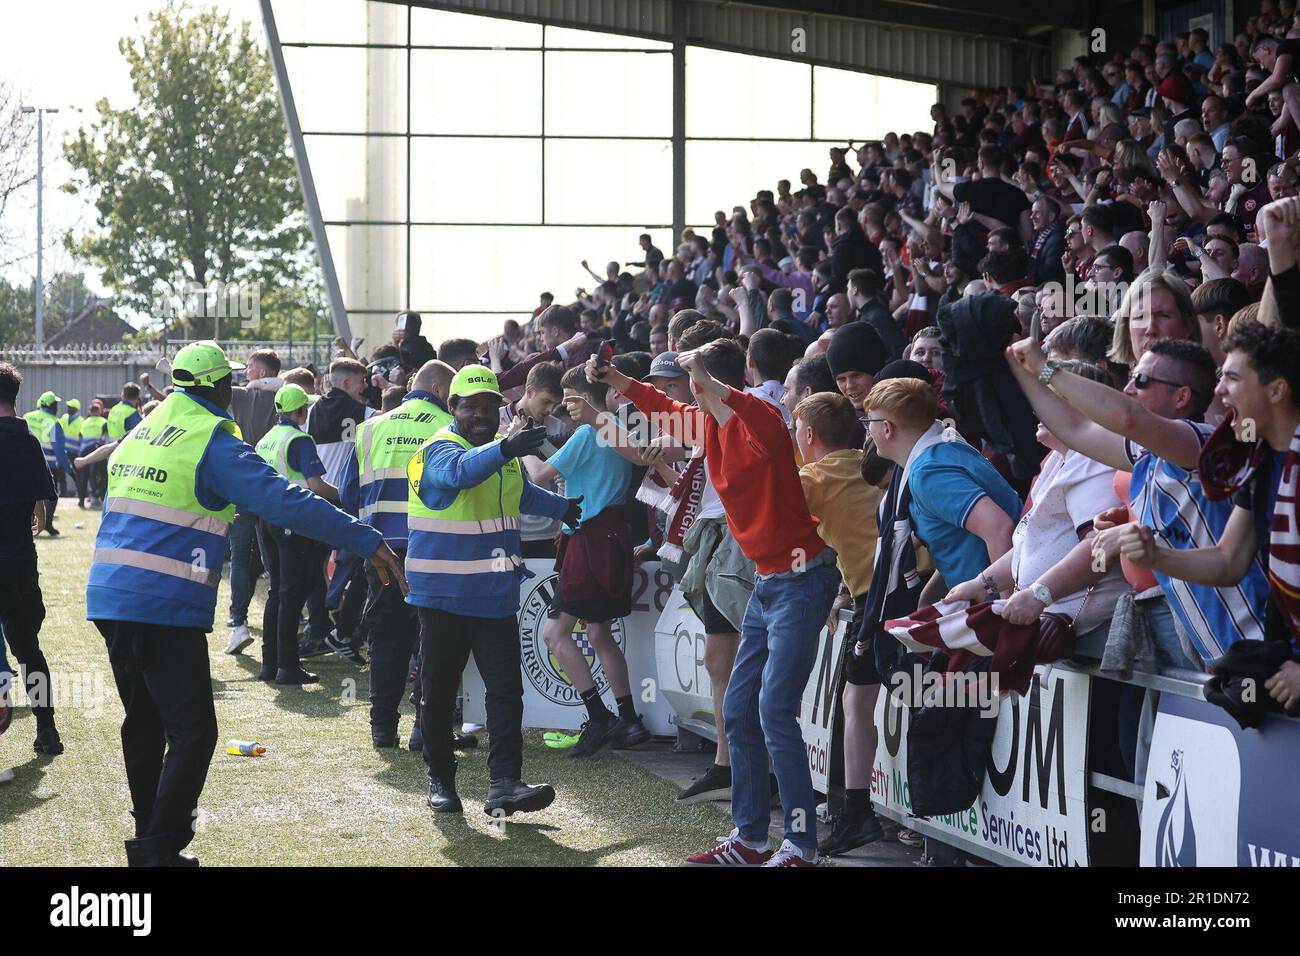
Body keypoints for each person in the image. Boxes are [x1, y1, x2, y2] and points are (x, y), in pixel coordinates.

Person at [87, 341, 405, 866]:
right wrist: (366, 539)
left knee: (143, 722)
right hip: (160, 602)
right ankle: (157, 850)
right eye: (229, 382)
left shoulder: (146, 427)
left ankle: (150, 837)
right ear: (219, 387)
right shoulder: (210, 438)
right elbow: (286, 500)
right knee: (194, 732)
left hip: (109, 595)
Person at [591, 339, 841, 867]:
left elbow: (727, 402)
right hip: (771, 583)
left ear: (719, 385)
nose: (684, 396)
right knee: (739, 707)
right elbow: (664, 409)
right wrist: (616, 382)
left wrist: (701, 371)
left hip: (802, 580)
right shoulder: (710, 423)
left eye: (694, 386)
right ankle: (751, 840)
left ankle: (802, 846)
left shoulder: (766, 422)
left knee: (774, 709)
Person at [405, 364, 581, 816]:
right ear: (452, 408)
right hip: (443, 599)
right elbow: (461, 474)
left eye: (488, 406)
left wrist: (564, 508)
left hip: (495, 598)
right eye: (470, 406)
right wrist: (504, 448)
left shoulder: (500, 457)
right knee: (440, 693)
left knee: (505, 693)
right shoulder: (435, 450)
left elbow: (520, 494)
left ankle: (505, 784)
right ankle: (441, 782)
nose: (481, 413)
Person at [338, 359, 461, 749]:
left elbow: (348, 495)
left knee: (386, 636)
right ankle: (426, 728)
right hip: (435, 548)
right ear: (441, 391)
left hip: (380, 551)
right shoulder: (449, 429)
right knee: (434, 639)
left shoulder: (370, 427)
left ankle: (382, 727)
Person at [527, 365, 646, 758]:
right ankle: (628, 719)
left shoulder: (586, 431)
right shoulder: (614, 429)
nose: (564, 407)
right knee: (599, 634)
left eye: (569, 399)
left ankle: (599, 717)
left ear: (583, 398)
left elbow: (541, 475)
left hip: (588, 539)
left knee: (554, 634)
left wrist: (521, 446)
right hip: (613, 538)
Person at [790, 391, 887, 856]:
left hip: (881, 596)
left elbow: (769, 516)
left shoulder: (812, 477)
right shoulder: (870, 462)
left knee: (856, 700)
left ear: (808, 435)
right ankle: (857, 811)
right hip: (901, 587)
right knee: (860, 698)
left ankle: (857, 813)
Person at [253, 384, 345, 683]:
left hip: (267, 519)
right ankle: (287, 666)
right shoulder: (300, 439)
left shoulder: (268, 438)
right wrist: (345, 496)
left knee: (277, 592)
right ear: (302, 411)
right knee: (293, 594)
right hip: (295, 522)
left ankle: (270, 663)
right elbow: (316, 485)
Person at [0, 363, 63, 757]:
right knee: (29, 649)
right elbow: (42, 496)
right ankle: (47, 729)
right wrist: (36, 513)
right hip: (19, 562)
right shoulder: (27, 440)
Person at [24, 390, 70, 537]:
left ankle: (28, 523)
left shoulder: (27, 417)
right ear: (50, 405)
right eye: (55, 404)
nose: (57, 406)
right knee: (51, 496)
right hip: (47, 465)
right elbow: (59, 449)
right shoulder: (55, 422)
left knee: (27, 494)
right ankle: (47, 523)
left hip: (26, 463)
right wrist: (69, 470)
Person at [60, 399, 84, 502]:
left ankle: (80, 492)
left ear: (76, 409)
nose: (68, 409)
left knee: (77, 473)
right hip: (64, 450)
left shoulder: (81, 421)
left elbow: (82, 437)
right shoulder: (64, 418)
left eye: (71, 407)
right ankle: (63, 492)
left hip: (75, 452)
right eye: (68, 407)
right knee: (61, 470)